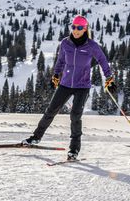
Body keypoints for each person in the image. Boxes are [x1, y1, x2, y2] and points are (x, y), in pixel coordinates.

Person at [22, 15, 115, 161]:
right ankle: (35, 137)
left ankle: (74, 150)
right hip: (65, 83)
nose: (76, 30)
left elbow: (103, 60)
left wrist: (109, 78)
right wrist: (56, 75)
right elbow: (60, 60)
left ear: (85, 29)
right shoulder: (65, 43)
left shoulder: (91, 46)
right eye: (74, 27)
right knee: (50, 111)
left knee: (75, 116)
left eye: (79, 28)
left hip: (82, 86)